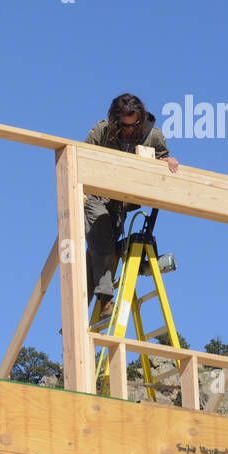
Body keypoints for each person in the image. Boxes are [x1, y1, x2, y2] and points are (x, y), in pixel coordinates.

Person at [83, 94, 180, 322]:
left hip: (120, 205)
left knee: (99, 252)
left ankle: (79, 309)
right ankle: (105, 299)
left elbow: (166, 159)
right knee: (103, 241)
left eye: (134, 124)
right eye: (124, 125)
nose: (129, 130)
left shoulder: (152, 136)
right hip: (97, 197)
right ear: (116, 120)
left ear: (141, 118)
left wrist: (168, 162)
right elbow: (80, 156)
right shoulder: (102, 131)